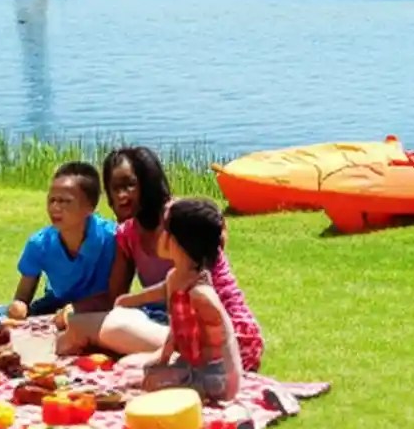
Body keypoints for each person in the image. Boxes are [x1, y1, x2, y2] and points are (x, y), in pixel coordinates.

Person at [59, 147, 265, 372]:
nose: (121, 196)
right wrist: (75, 308)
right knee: (92, 323)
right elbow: (116, 299)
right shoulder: (127, 235)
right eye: (115, 188)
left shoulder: (180, 219)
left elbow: (217, 228)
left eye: (129, 185)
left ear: (148, 183)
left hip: (229, 338)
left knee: (89, 329)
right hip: (178, 328)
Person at [0, 162, 117, 342]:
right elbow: (23, 298)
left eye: (65, 201)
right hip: (56, 305)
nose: (55, 208)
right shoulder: (40, 243)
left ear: (90, 206)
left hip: (99, 308)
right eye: (52, 200)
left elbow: (116, 295)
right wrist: (18, 308)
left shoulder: (111, 238)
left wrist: (78, 308)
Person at [138, 198, 241, 402]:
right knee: (149, 374)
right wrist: (164, 357)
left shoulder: (200, 293)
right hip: (190, 365)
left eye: (166, 229)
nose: (159, 235)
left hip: (213, 374)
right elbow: (177, 328)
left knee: (155, 383)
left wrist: (230, 384)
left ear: (180, 242)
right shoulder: (174, 278)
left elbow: (227, 338)